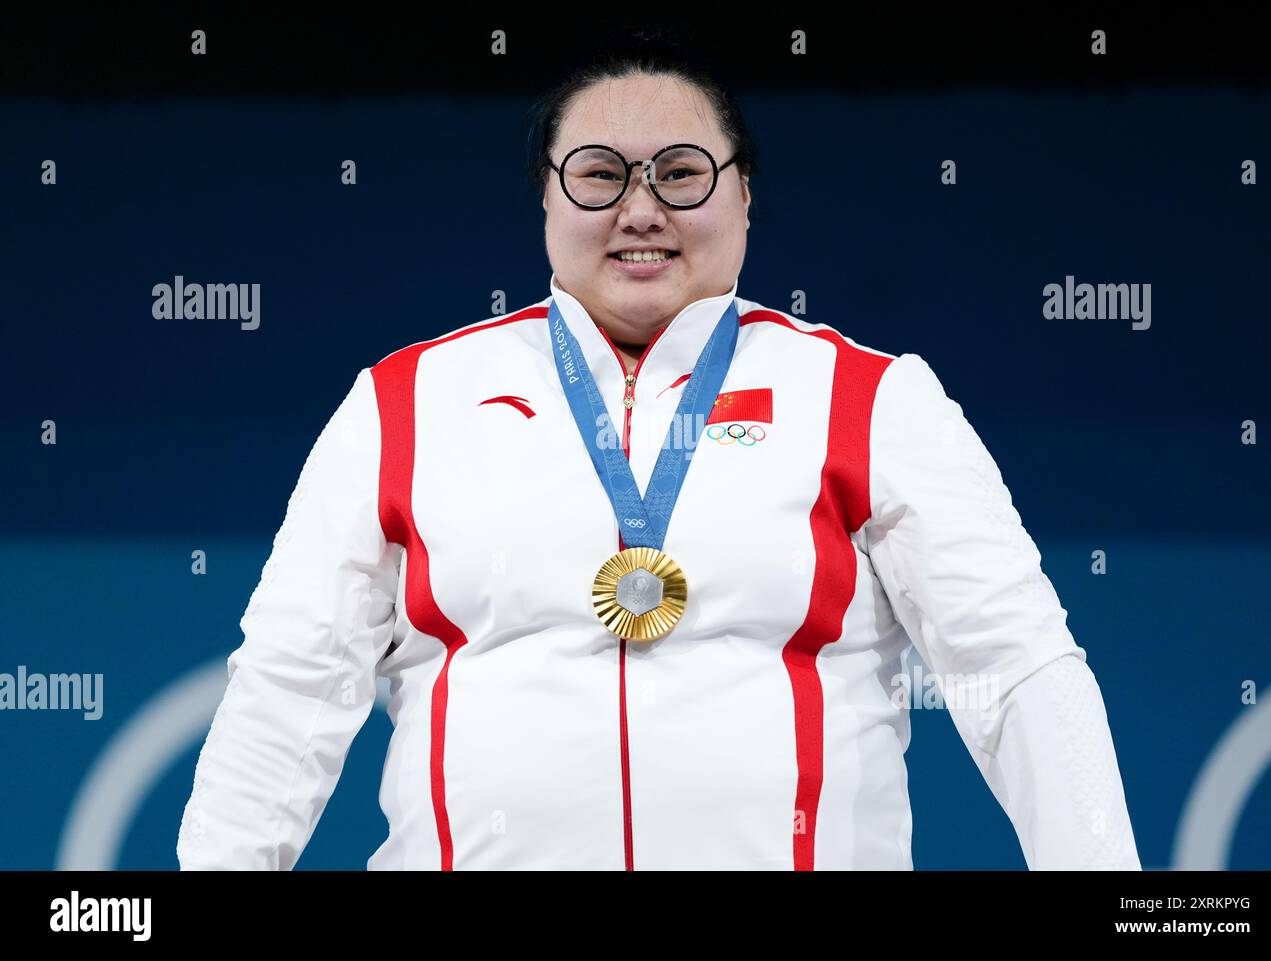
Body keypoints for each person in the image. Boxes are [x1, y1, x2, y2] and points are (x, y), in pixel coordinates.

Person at [177, 31, 1142, 871]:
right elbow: (290, 689)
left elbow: (1018, 672)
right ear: (547, 203)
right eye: (600, 174)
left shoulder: (874, 399)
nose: (641, 209)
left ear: (745, 196)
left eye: (681, 173)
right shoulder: (406, 403)